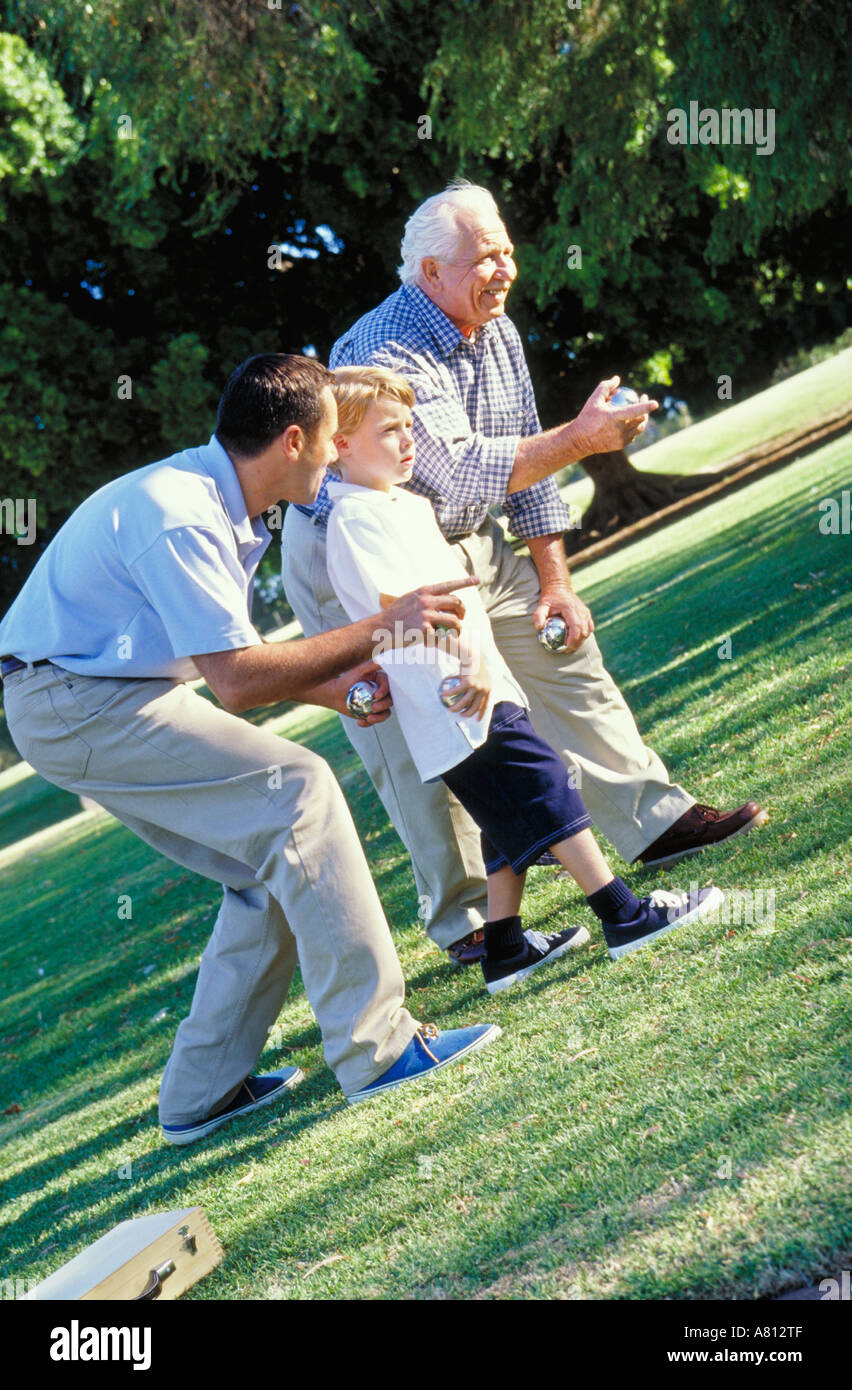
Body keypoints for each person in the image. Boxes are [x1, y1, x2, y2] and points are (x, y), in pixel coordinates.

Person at [0, 353, 502, 1146]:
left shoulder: (218, 504)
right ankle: (380, 1048)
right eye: (335, 439)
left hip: (91, 697)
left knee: (269, 868)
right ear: (295, 440)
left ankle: (199, 1093)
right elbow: (234, 681)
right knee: (300, 790)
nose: (342, 454)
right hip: (76, 705)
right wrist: (382, 626)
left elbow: (222, 653)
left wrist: (329, 686)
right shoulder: (183, 513)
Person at [281, 181, 765, 967]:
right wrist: (581, 438)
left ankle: (653, 820)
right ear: (432, 272)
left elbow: (520, 455)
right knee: (421, 736)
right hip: (364, 553)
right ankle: (471, 919)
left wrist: (555, 580)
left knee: (560, 663)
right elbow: (458, 471)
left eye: (507, 249)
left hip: (458, 539)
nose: (504, 266)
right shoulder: (383, 347)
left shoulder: (492, 326)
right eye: (485, 256)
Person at [323, 365, 723, 990]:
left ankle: (505, 950)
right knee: (546, 789)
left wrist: (487, 666)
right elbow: (407, 611)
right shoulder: (355, 520)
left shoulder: (398, 503)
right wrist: (472, 666)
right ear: (339, 446)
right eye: (389, 432)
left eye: (410, 428)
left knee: (504, 819)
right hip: (455, 696)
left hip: (479, 687)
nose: (408, 444)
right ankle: (625, 916)